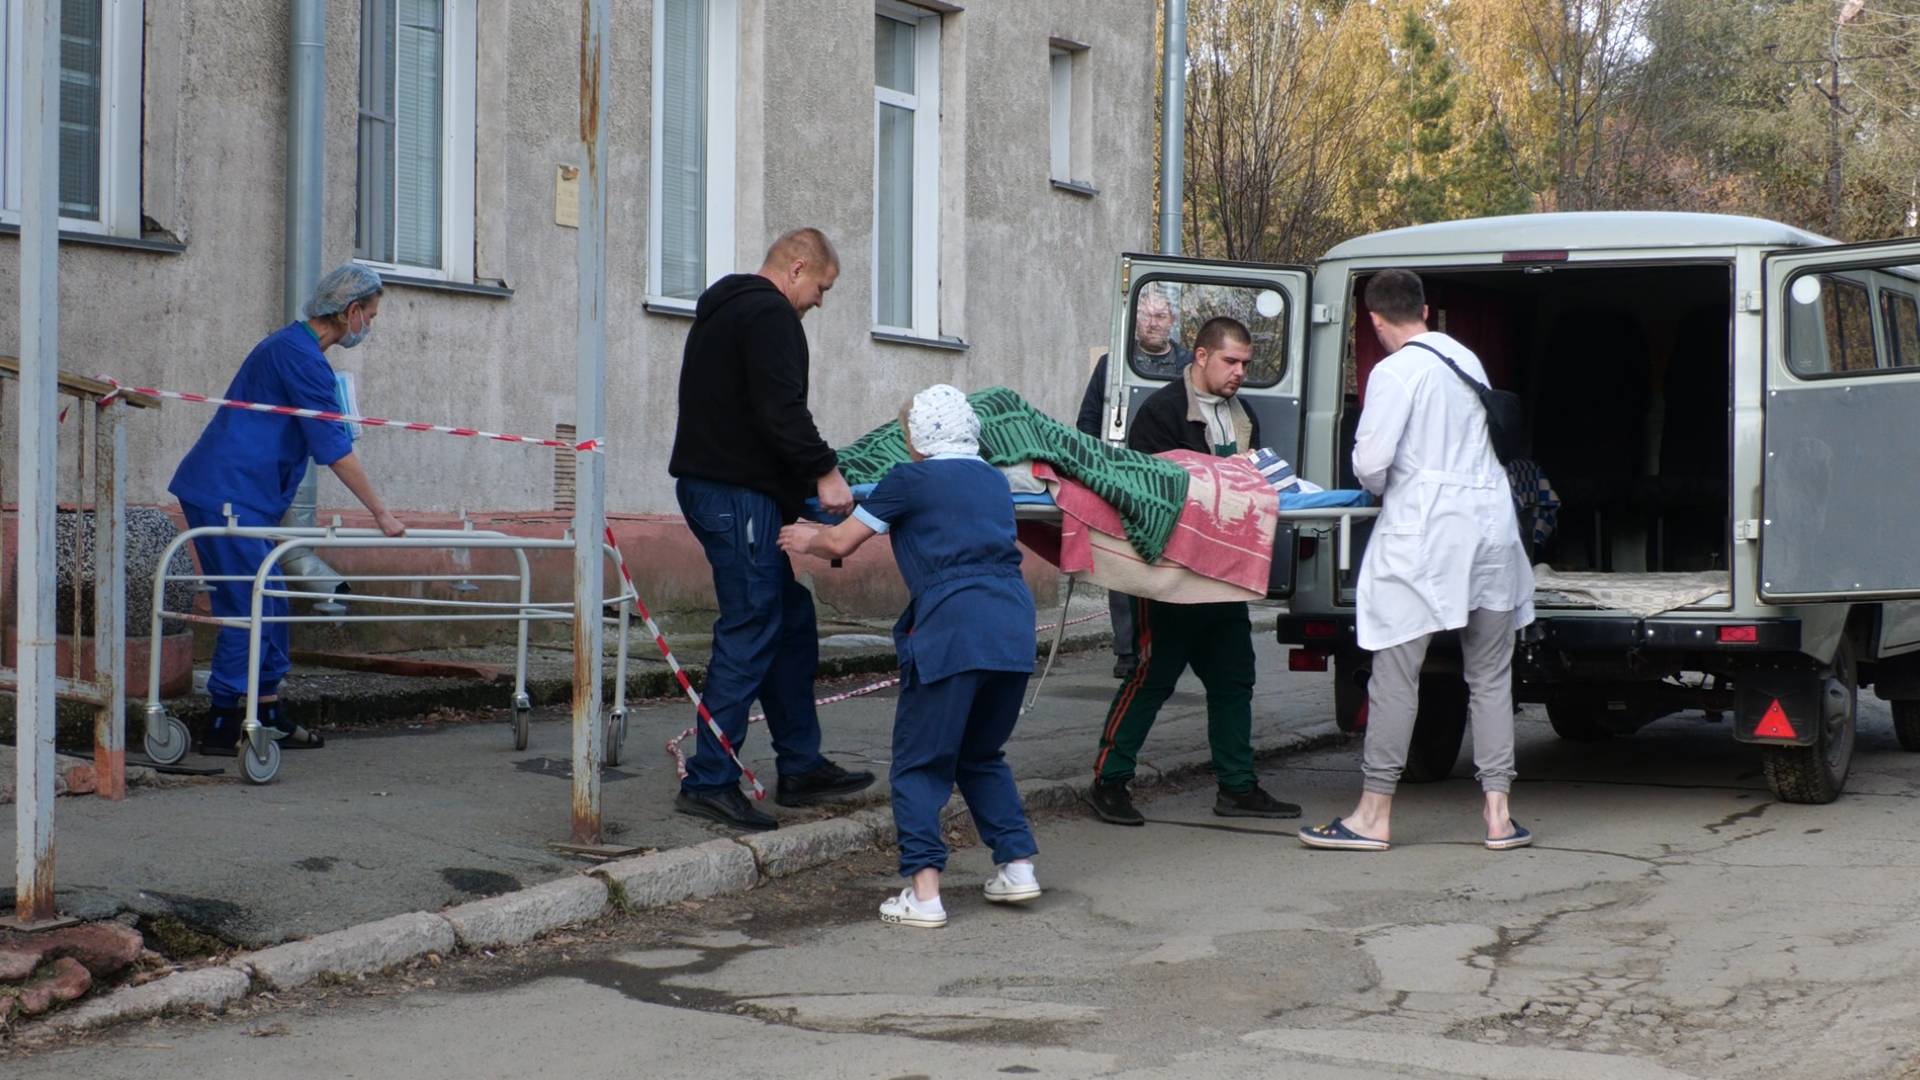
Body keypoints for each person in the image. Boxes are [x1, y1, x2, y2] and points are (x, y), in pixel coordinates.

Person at [779, 385, 1039, 929]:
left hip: (951, 628)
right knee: (981, 754)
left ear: (918, 438)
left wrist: (805, 538)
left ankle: (924, 893)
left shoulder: (909, 479)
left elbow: (841, 544)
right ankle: (1017, 868)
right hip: (1012, 626)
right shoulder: (993, 481)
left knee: (920, 762)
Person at [1299, 269, 1535, 853]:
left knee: (1397, 670)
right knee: (1490, 674)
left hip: (1428, 532)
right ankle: (1499, 816)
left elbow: (1372, 464)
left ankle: (1373, 815)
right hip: (1492, 531)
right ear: (1426, 311)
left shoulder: (1394, 372)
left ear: (1375, 321)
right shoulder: (1466, 360)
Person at [667, 227, 876, 832]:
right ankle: (709, 781)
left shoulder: (727, 311)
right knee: (753, 624)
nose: (819, 301)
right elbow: (781, 410)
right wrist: (826, 474)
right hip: (737, 500)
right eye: (820, 288)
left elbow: (751, 415)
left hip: (732, 494)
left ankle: (801, 766)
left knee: (789, 621)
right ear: (797, 268)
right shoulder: (769, 315)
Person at [168, 263, 406, 755]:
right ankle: (224, 721)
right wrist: (382, 514)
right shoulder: (299, 357)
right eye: (372, 316)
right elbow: (333, 449)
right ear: (351, 311)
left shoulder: (294, 349)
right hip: (227, 494)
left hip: (242, 495)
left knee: (270, 598)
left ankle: (269, 710)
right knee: (247, 604)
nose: (371, 327)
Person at [1086, 317, 1303, 826]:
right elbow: (1149, 492)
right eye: (1231, 361)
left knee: (1234, 679)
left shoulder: (1242, 412)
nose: (1240, 373)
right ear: (1201, 356)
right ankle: (1109, 782)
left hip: (1222, 572)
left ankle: (1237, 786)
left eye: (1246, 364)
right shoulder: (1160, 411)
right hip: (1169, 570)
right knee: (1151, 677)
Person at [1075, 286, 1193, 681]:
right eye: (1146, 316)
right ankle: (1127, 652)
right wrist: (1096, 468)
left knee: (1170, 563)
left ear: (1172, 321)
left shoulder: (1189, 364)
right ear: (1134, 321)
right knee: (1122, 563)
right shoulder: (1113, 363)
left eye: (1161, 316)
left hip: (1175, 476)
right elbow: (1088, 421)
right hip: (1121, 475)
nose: (1154, 323)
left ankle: (1167, 649)